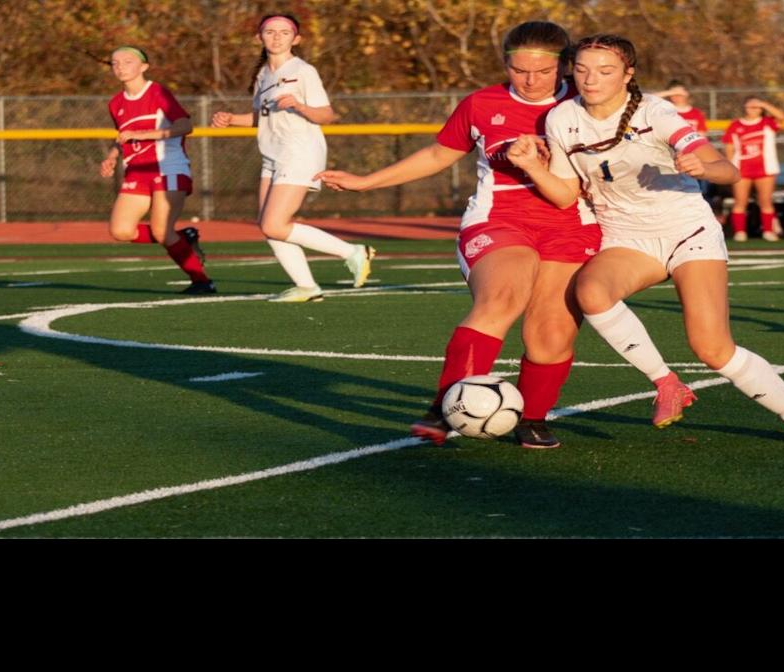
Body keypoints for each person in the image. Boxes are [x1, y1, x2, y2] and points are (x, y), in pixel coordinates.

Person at [507, 33, 784, 446]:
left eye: (605, 71)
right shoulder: (561, 118)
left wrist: (704, 166)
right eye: (583, 70)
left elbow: (728, 171)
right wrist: (532, 168)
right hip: (626, 238)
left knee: (711, 348)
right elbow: (566, 193)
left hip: (686, 231)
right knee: (590, 292)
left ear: (628, 74)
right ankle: (666, 384)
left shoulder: (656, 112)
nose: (591, 79)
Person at [316, 21, 601, 449]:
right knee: (503, 297)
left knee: (551, 331)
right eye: (519, 70)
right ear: (506, 63)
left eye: (543, 72)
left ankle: (534, 417)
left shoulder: (586, 105)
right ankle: (443, 407)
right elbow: (436, 155)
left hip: (571, 225)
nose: (531, 81)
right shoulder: (481, 104)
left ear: (563, 65)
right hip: (499, 221)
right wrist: (365, 181)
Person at [211, 13, 374, 303]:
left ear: (295, 39)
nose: (276, 36)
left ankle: (353, 252)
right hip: (272, 155)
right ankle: (307, 287)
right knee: (268, 225)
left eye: (284, 32)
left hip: (299, 151)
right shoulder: (263, 75)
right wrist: (231, 118)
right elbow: (262, 119)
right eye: (270, 31)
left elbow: (327, 114)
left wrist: (300, 106)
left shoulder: (303, 70)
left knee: (275, 224)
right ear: (258, 38)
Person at [99, 46, 213, 294]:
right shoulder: (116, 103)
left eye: (127, 61)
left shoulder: (157, 92)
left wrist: (142, 134)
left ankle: (202, 281)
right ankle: (183, 238)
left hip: (167, 168)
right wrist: (112, 155)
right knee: (120, 231)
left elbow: (185, 126)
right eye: (115, 62)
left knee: (162, 231)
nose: (120, 66)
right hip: (137, 172)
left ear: (144, 67)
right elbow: (123, 138)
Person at [722, 97, 784, 242]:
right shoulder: (735, 125)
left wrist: (764, 103)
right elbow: (729, 147)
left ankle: (768, 231)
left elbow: (782, 117)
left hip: (765, 169)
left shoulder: (767, 123)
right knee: (740, 202)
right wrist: (729, 166)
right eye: (750, 106)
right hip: (742, 168)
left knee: (765, 201)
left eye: (756, 107)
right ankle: (740, 232)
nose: (753, 109)